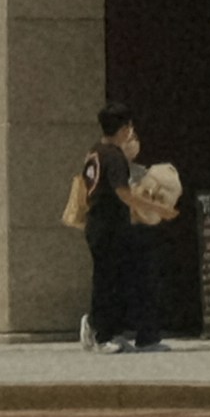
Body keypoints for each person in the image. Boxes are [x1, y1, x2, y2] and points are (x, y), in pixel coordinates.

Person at [76, 103, 162, 352]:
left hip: (98, 224)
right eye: (129, 127)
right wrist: (155, 208)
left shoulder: (94, 152)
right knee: (108, 282)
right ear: (124, 128)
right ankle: (102, 335)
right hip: (109, 227)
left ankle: (102, 328)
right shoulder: (114, 156)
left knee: (109, 279)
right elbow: (123, 193)